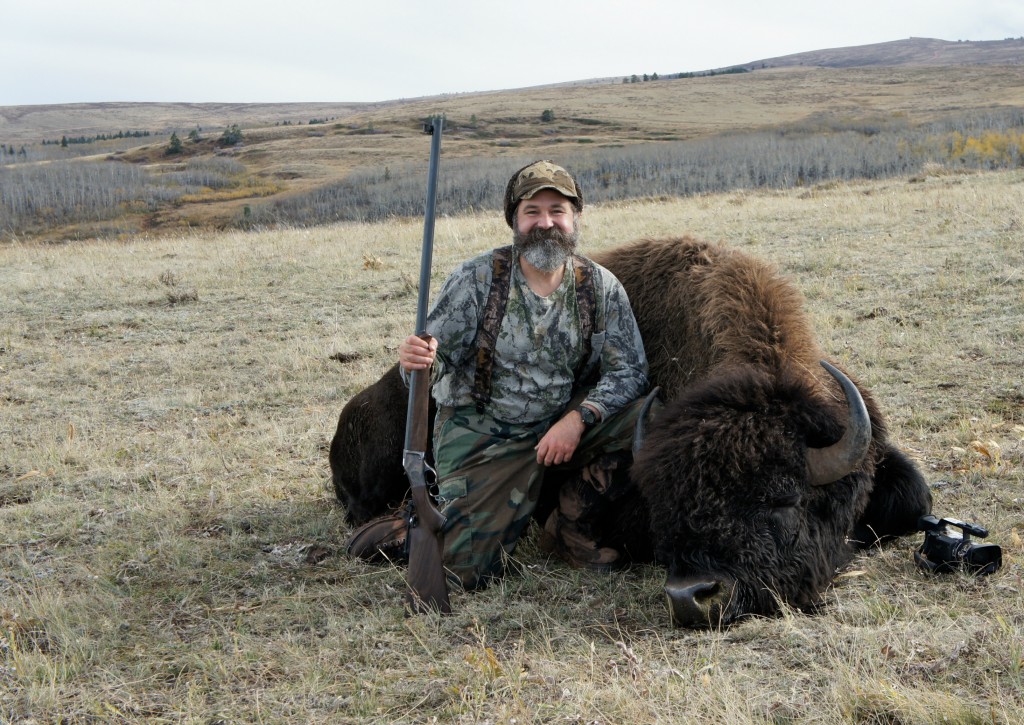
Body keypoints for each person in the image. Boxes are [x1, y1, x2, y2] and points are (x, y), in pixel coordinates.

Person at [347, 160, 653, 590]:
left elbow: (629, 371)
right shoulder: (476, 280)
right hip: (484, 431)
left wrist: (577, 419)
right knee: (465, 571)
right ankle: (401, 530)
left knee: (654, 420)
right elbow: (424, 363)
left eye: (557, 210)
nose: (545, 223)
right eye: (532, 212)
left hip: (561, 422)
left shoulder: (600, 286)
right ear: (514, 220)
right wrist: (415, 358)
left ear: (575, 217)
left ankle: (573, 525)